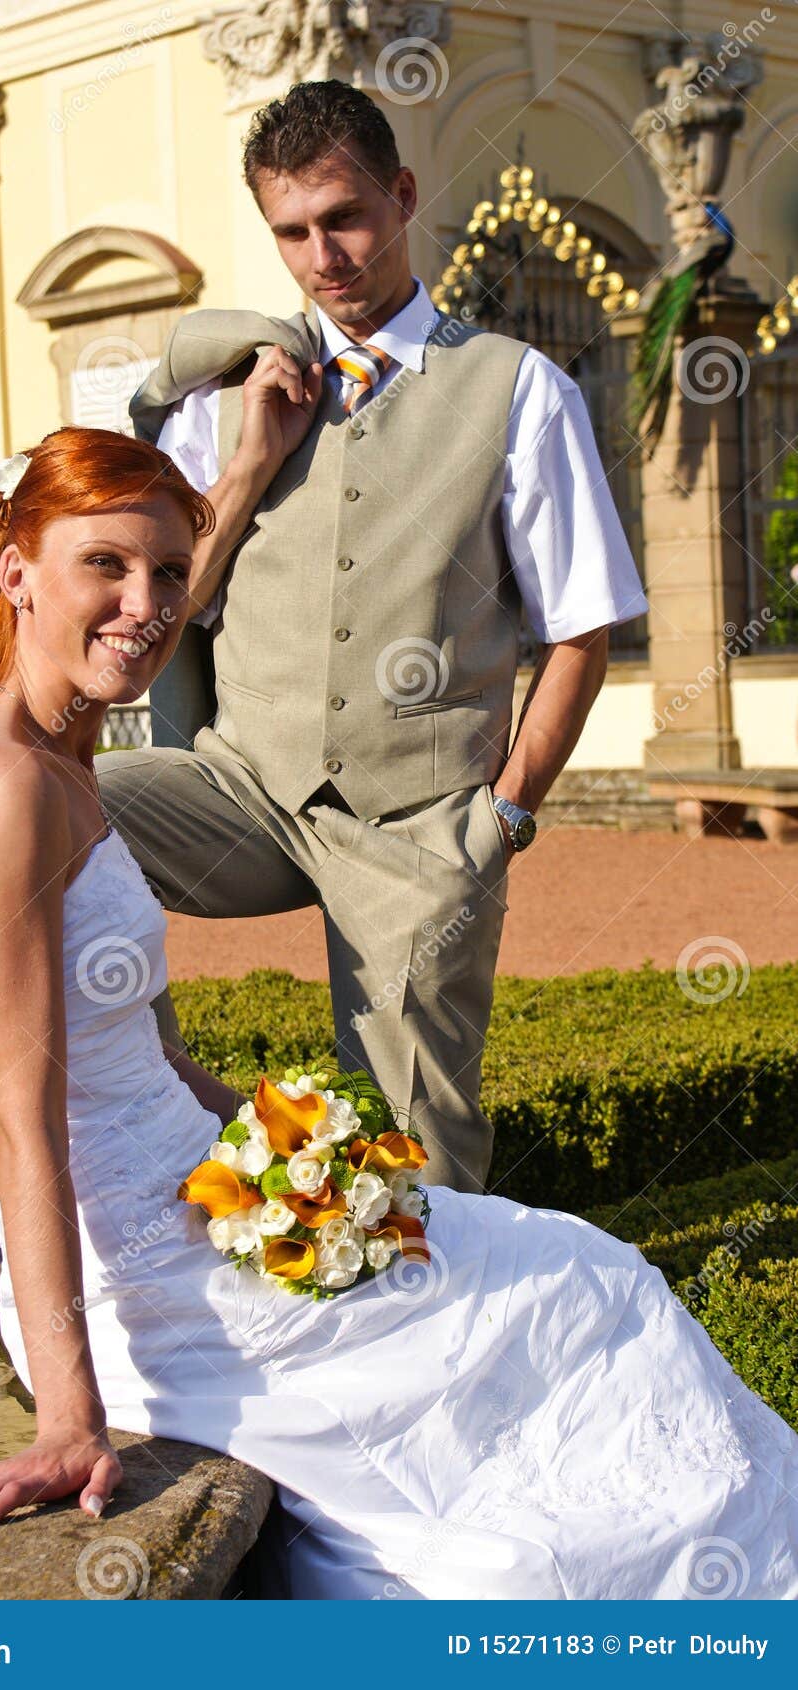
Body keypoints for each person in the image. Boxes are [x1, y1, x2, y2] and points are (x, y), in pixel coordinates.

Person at [0, 427, 798, 1600]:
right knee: (586, 1300)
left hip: (217, 1198)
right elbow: (21, 1121)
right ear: (18, 572)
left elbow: (154, 1057)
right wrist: (72, 1412)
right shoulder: (0, 789)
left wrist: (319, 1154)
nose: (146, 604)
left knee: (576, 1271)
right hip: (151, 1278)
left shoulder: (63, 765)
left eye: (170, 574)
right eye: (105, 566)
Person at [97, 79, 650, 1197]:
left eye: (343, 218)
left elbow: (580, 631)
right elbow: (159, 620)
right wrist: (249, 463)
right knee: (48, 807)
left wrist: (502, 818)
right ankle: (163, 1104)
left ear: (401, 196)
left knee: (423, 1173)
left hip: (418, 829)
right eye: (292, 233)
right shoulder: (228, 393)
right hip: (245, 788)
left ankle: (454, 1353)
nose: (323, 258)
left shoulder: (517, 390)